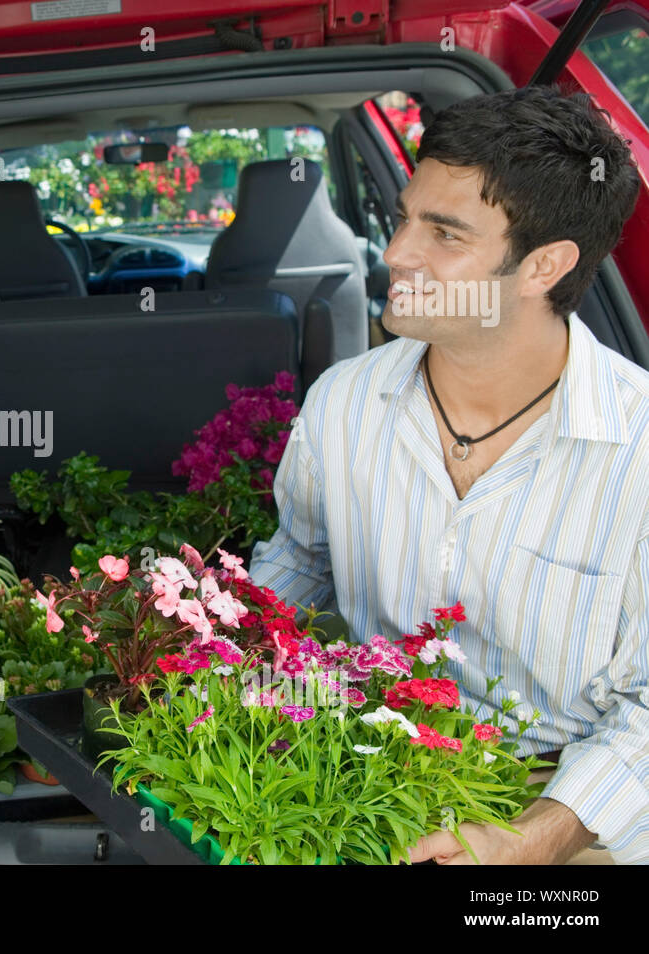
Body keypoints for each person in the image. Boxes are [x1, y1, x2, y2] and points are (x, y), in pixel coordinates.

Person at [249, 84, 645, 864]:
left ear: (544, 266)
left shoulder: (638, 449)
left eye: (444, 233)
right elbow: (298, 563)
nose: (395, 252)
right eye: (404, 217)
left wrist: (536, 838)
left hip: (575, 822)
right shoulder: (343, 406)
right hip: (370, 788)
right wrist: (229, 666)